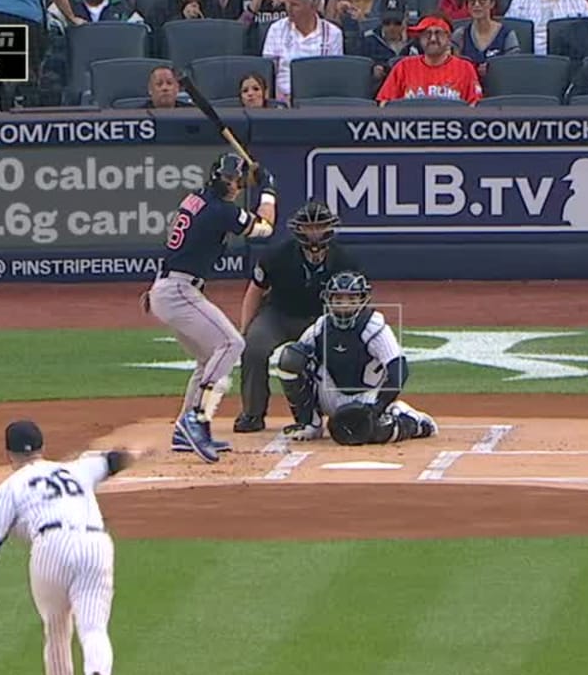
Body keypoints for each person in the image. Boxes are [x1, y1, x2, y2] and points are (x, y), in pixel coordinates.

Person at [0, 420, 134, 675]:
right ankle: (97, 673)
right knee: (94, 627)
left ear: (9, 454)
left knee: (57, 628)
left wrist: (17, 526)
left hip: (51, 546)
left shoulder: (8, 489)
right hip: (95, 543)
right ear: (42, 447)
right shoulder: (77, 469)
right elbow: (115, 460)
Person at [145, 153, 278, 463]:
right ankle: (197, 419)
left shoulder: (197, 199)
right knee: (232, 343)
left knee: (208, 358)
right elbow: (264, 228)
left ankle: (183, 430)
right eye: (233, 180)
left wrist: (249, 181)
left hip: (169, 288)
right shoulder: (221, 211)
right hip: (178, 291)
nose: (234, 185)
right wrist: (269, 189)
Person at [233, 200, 361, 433]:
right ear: (298, 230)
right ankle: (252, 413)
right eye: (308, 228)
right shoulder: (277, 255)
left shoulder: (344, 261)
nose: (314, 233)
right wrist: (245, 329)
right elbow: (255, 290)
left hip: (320, 319)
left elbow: (355, 302)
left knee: (342, 352)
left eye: (319, 227)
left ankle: (338, 409)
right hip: (279, 314)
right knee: (253, 347)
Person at [273, 270, 437, 446]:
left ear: (362, 300)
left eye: (351, 299)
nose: (345, 305)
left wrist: (377, 408)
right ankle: (310, 423)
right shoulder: (321, 326)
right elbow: (296, 356)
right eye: (339, 299)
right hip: (331, 394)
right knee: (290, 359)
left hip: (367, 397)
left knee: (374, 434)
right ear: (329, 299)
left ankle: (412, 420)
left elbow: (398, 370)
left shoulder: (374, 327)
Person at [375, 14, 484, 104]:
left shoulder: (464, 68)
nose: (432, 39)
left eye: (438, 33)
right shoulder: (403, 66)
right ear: (419, 38)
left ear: (448, 37)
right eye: (427, 33)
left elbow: (475, 105)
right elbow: (384, 103)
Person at [261, 0, 344, 104]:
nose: (288, 9)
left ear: (313, 7)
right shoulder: (276, 29)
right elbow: (267, 74)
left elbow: (333, 76)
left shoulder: (333, 34)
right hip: (282, 103)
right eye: (288, 3)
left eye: (295, 5)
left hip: (318, 101)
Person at [503, 0, 588, 56]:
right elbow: (507, 34)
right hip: (527, 61)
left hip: (567, 59)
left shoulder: (579, 2)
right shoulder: (520, 2)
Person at [452, 0, 521, 69]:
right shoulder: (460, 35)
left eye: (482, 0)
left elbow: (513, 66)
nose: (477, 5)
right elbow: (454, 67)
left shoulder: (507, 35)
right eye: (472, 1)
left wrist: (493, 68)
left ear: (492, 3)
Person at [360, 0, 419, 86]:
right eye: (387, 23)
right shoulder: (369, 40)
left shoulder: (415, 41)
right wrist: (372, 72)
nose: (392, 27)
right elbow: (360, 73)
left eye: (397, 23)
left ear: (405, 20)